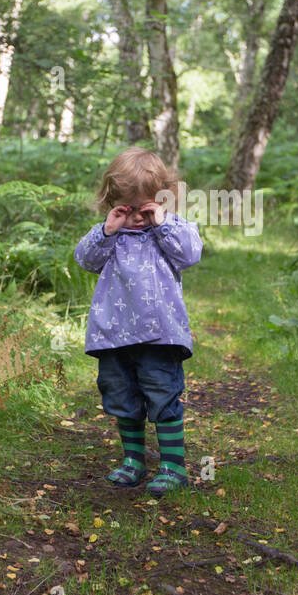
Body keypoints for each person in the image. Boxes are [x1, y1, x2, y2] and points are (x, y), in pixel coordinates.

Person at [74, 147, 203, 495]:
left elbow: (190, 254)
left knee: (162, 394)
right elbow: (85, 260)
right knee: (121, 395)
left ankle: (173, 466)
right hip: (115, 334)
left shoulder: (170, 229)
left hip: (161, 336)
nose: (137, 218)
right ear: (112, 203)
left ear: (161, 201)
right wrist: (108, 228)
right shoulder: (109, 234)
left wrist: (161, 223)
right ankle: (134, 460)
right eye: (127, 209)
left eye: (144, 209)